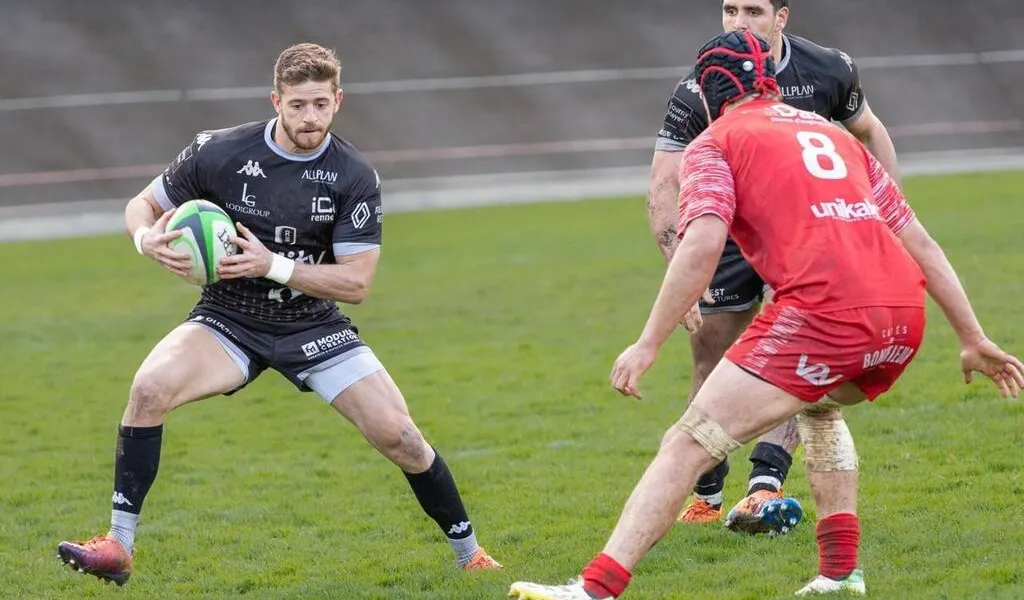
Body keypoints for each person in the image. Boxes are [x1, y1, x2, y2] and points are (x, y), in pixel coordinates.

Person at [508, 30, 1022, 599]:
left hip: (826, 317)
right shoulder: (832, 134)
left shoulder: (714, 142)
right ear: (769, 81)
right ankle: (840, 575)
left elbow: (702, 245)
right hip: (901, 315)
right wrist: (972, 337)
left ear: (708, 93)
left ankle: (593, 590)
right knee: (818, 406)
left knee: (688, 441)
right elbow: (919, 240)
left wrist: (648, 342)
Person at [56, 42, 501, 586]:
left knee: (401, 438)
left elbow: (357, 284)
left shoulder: (354, 175)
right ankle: (118, 546)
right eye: (297, 105)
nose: (310, 116)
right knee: (149, 389)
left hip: (313, 325)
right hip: (230, 318)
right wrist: (145, 238)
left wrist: (272, 265)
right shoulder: (220, 151)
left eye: (320, 104)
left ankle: (470, 554)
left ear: (338, 100)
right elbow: (142, 204)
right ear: (276, 101)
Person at [647, 0, 904, 530]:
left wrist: (882, 213)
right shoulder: (701, 86)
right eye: (730, 10)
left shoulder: (829, 67)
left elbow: (870, 130)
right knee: (710, 360)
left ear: (782, 17)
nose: (739, 23)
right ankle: (708, 494)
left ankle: (764, 486)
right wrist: (680, 273)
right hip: (729, 236)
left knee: (797, 356)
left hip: (805, 236)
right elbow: (664, 183)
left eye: (754, 11)